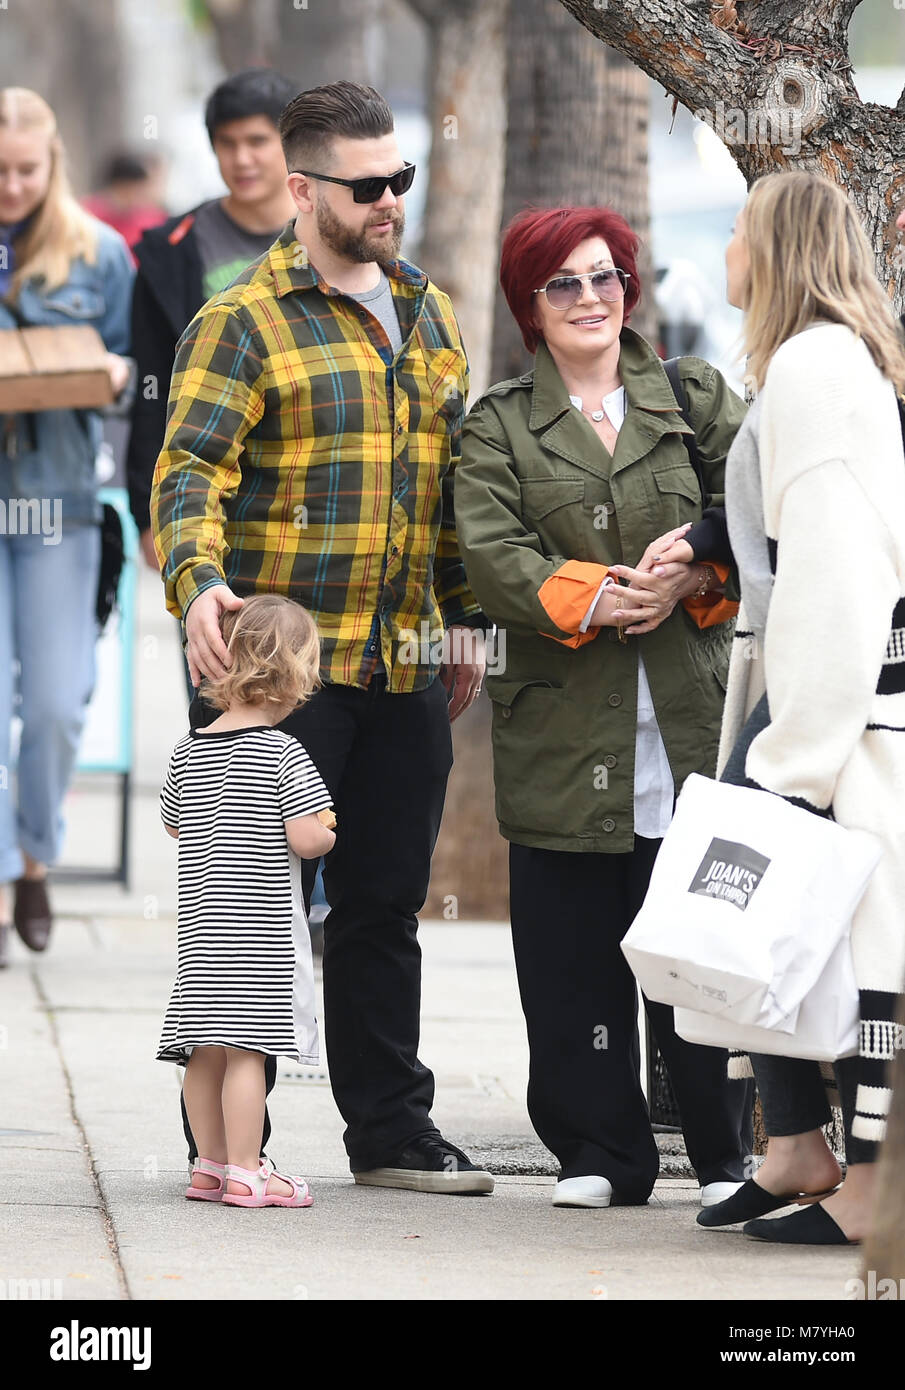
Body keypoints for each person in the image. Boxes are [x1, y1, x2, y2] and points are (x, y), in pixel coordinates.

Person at [151, 81, 493, 1195]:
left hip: (401, 659)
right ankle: (222, 1149)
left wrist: (466, 620)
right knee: (250, 910)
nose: (391, 197)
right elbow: (189, 468)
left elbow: (444, 488)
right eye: (367, 184)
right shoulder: (240, 320)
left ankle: (389, 1131)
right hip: (278, 674)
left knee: (385, 904)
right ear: (302, 190)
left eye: (400, 176)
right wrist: (198, 581)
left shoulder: (430, 312)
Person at [454, 204, 753, 1208]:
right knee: (570, 956)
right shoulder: (495, 424)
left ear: (629, 286)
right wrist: (592, 594)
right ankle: (597, 1153)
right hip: (561, 730)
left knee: (697, 949)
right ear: (528, 308)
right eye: (562, 284)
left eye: (604, 277)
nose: (589, 298)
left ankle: (724, 1158)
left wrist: (694, 566)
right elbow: (489, 555)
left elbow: (761, 496)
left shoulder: (690, 394)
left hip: (688, 722)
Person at [694, 171, 905, 1245]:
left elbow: (834, 570)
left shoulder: (816, 367)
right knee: (763, 929)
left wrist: (795, 753)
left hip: (840, 705)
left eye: (735, 227)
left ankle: (868, 1188)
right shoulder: (815, 363)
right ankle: (793, 1147)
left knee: (827, 938)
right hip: (817, 695)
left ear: (770, 247)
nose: (725, 245)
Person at [0, 88, 133, 967]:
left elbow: (133, 367)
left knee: (52, 701)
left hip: (57, 503)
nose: (10, 186)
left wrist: (104, 374)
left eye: (24, 170)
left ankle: (35, 856)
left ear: (52, 165)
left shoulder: (99, 255)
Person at [157, 594, 336, 1207]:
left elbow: (175, 822)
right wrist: (332, 826)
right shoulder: (287, 754)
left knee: (202, 1057)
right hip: (258, 937)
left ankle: (207, 1166)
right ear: (290, 680)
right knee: (248, 1057)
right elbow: (308, 836)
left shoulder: (189, 750)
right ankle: (247, 1171)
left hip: (201, 933)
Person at [127, 68, 297, 588]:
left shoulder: (332, 238)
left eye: (257, 141)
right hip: (209, 503)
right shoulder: (171, 251)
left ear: (289, 144)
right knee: (215, 662)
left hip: (309, 497)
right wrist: (149, 513)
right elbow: (152, 389)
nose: (241, 159)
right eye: (227, 143)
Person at [81, 150, 167, 263]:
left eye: (137, 191)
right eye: (127, 190)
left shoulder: (154, 218)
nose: (133, 198)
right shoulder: (88, 215)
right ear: (115, 185)